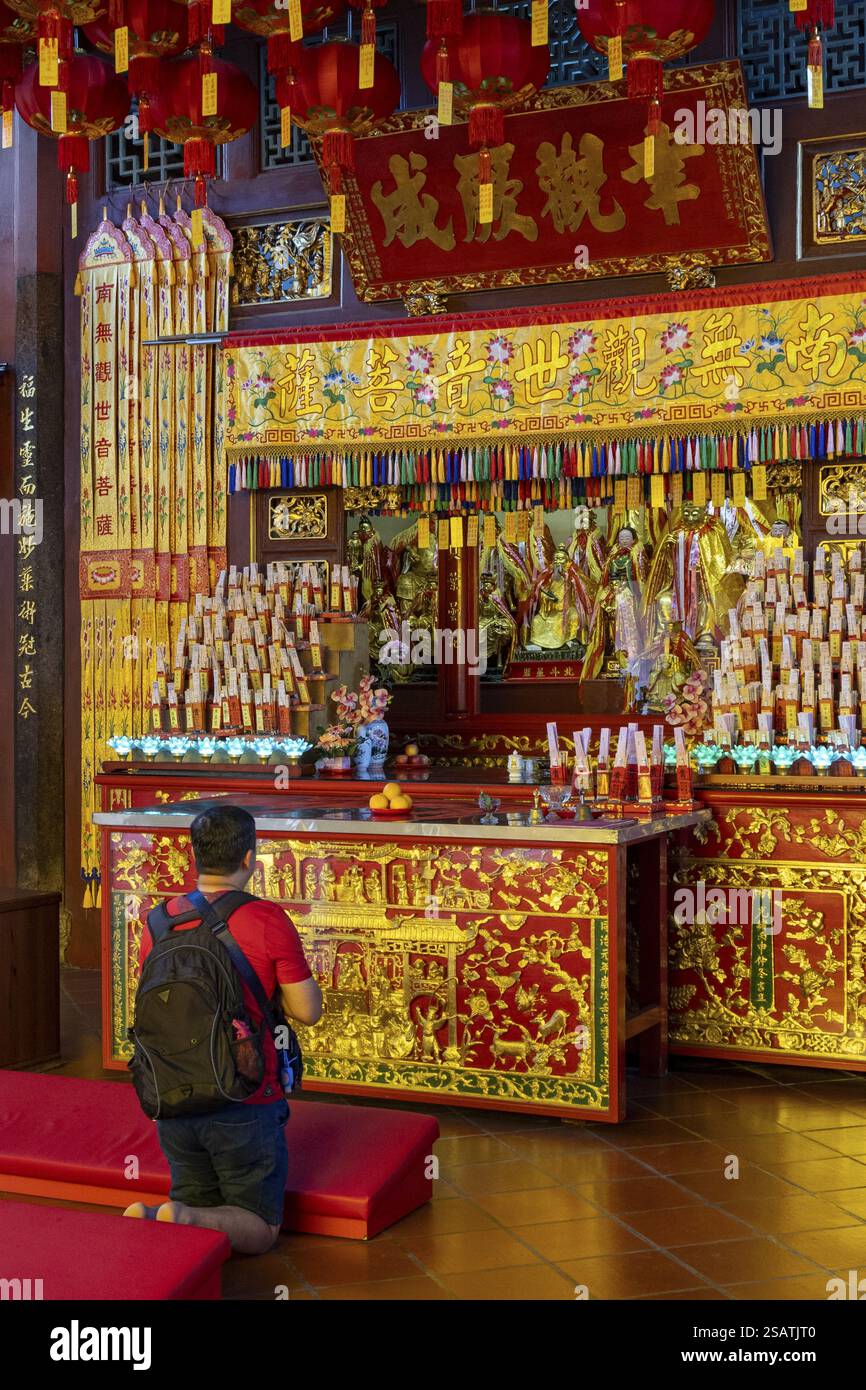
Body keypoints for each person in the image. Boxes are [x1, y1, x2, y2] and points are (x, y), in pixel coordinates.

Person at [124, 804, 322, 1255]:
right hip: (245, 1097)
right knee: (260, 1225)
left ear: (194, 856)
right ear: (250, 857)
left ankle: (176, 1213)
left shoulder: (159, 920)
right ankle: (187, 1216)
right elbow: (308, 1012)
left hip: (171, 1095)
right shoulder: (266, 918)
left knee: (195, 1193)